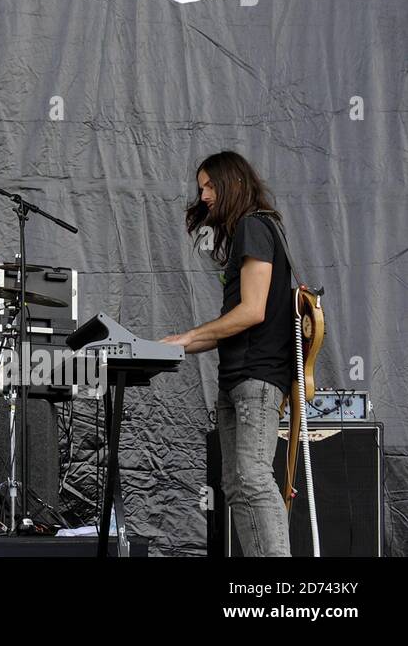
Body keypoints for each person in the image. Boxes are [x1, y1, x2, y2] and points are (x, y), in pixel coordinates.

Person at [161, 151, 293, 557]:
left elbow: (251, 313)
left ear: (233, 183)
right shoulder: (245, 234)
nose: (203, 196)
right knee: (237, 484)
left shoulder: (254, 226)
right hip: (236, 380)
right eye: (200, 187)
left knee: (252, 477)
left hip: (257, 378)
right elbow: (227, 327)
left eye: (210, 186)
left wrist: (185, 338)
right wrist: (169, 345)